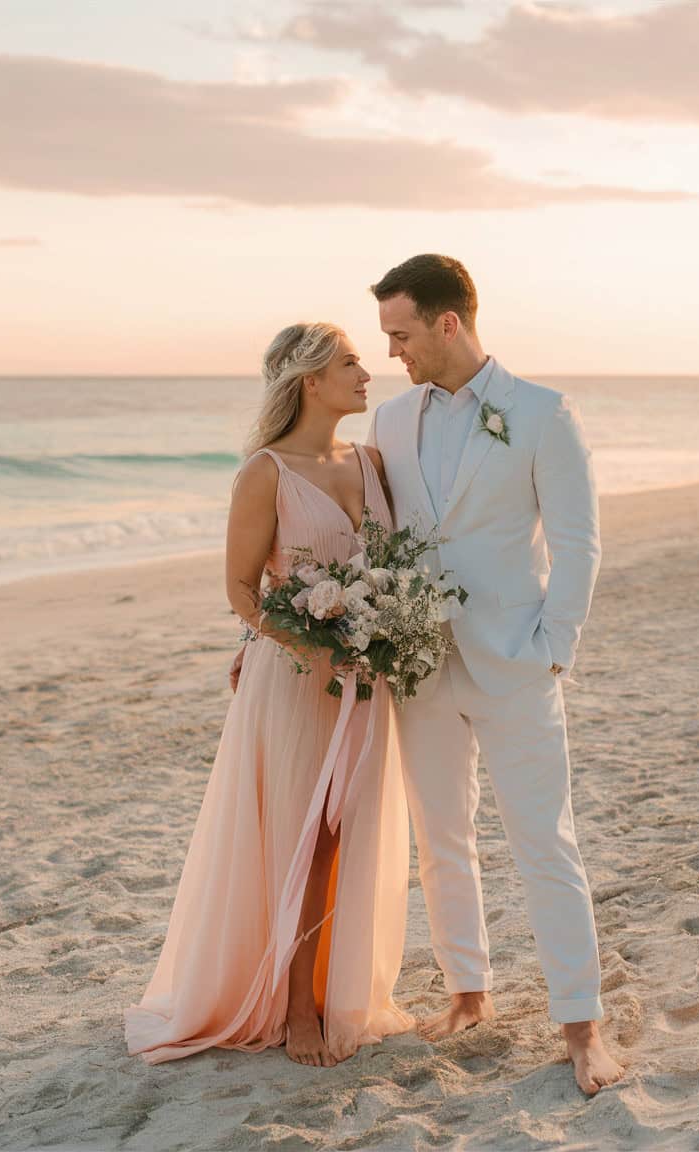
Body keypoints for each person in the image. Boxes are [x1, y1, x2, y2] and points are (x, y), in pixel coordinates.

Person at [230, 254, 624, 1095]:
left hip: (517, 661)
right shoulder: (395, 422)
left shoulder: (542, 414)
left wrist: (555, 646)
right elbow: (367, 539)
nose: (391, 353)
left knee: (543, 842)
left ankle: (582, 1024)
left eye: (401, 334)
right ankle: (468, 994)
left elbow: (580, 542)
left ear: (449, 323)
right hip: (416, 668)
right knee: (443, 841)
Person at [125, 322, 412, 1069]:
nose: (366, 371)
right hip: (294, 680)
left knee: (351, 831)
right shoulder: (265, 472)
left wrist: (382, 631)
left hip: (368, 679)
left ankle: (335, 986)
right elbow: (241, 589)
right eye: (350, 362)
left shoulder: (373, 461)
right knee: (303, 838)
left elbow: (398, 568)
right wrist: (302, 640)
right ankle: (295, 1008)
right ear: (309, 381)